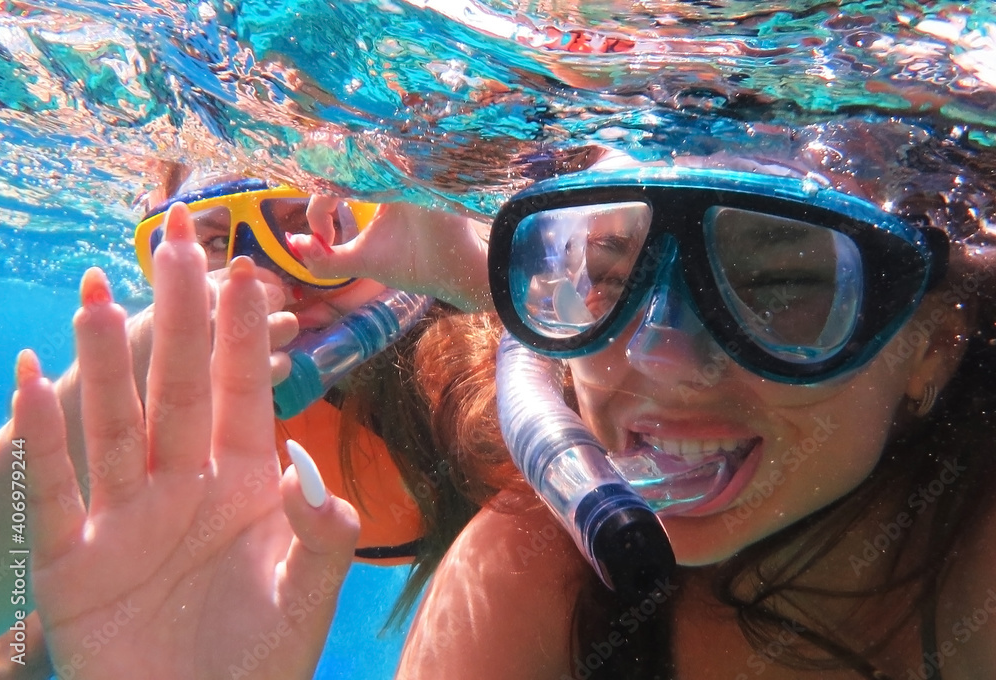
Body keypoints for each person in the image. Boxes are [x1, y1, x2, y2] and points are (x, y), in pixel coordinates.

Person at [397, 120, 996, 680]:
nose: (663, 358)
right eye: (608, 278)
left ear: (933, 345)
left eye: (776, 284)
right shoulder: (523, 568)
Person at [0, 167, 492, 677]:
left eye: (314, 224)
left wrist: (478, 281)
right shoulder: (182, 400)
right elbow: (62, 607)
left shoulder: (482, 375)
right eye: (217, 242)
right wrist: (110, 387)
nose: (274, 284)